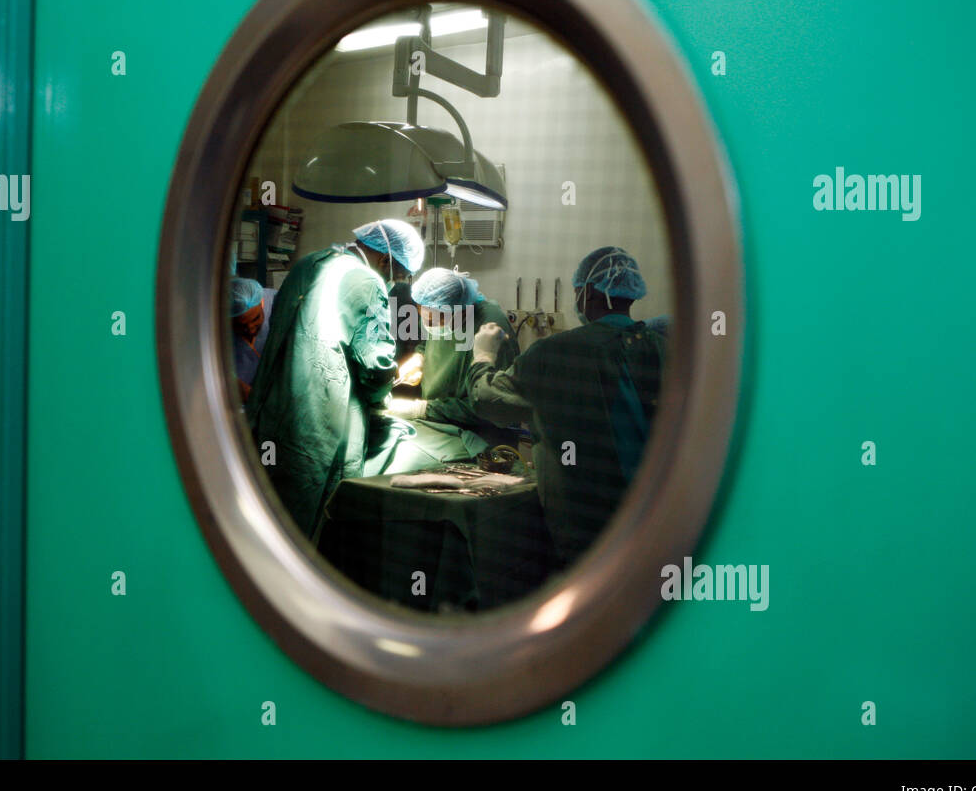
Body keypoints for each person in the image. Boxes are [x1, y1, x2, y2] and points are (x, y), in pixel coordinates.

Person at [466, 246, 667, 566]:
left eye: (577, 290)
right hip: (654, 516)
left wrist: (483, 357)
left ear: (588, 292)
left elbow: (487, 400)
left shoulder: (557, 353)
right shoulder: (658, 345)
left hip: (586, 526)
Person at [246, 219, 425, 539]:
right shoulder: (368, 282)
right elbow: (376, 365)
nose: (391, 281)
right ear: (385, 259)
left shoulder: (308, 264)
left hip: (272, 412)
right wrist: (392, 380)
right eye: (395, 274)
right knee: (311, 529)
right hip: (318, 428)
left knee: (270, 518)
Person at [389, 267, 519, 447]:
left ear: (461, 310)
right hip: (440, 423)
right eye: (423, 318)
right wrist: (419, 357)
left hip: (482, 437)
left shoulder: (491, 328)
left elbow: (495, 406)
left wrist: (424, 409)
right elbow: (429, 339)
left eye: (434, 321)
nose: (429, 325)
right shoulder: (436, 311)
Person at [230, 277, 276, 402]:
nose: (250, 330)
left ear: (261, 302)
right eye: (241, 326)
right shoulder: (216, 332)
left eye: (256, 319)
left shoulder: (277, 305)